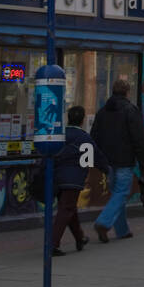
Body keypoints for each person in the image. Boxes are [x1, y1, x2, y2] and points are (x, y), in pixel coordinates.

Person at [90, 78, 144, 242]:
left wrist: (99, 159)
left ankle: (122, 230)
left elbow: (94, 136)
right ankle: (103, 222)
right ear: (127, 92)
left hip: (108, 161)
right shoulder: (131, 110)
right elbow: (138, 139)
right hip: (124, 160)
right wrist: (143, 162)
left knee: (117, 193)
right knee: (122, 192)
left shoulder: (102, 112)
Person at [52, 105, 109, 256]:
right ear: (83, 120)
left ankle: (80, 237)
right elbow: (95, 158)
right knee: (66, 209)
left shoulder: (60, 135)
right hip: (74, 180)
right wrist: (107, 170)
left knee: (69, 208)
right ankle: (53, 243)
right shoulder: (85, 138)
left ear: (68, 118)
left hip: (57, 178)